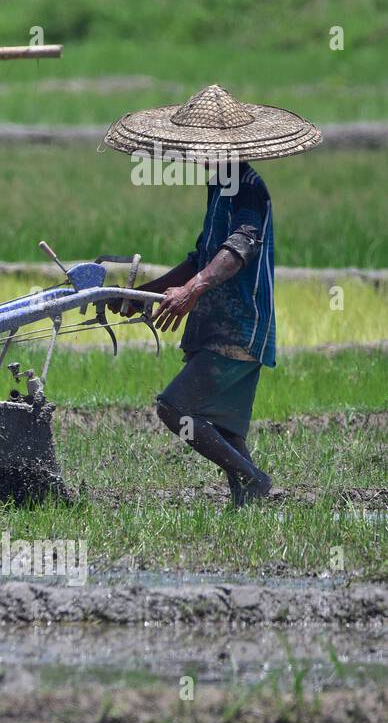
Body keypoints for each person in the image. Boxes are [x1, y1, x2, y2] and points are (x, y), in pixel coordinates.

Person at [103, 84, 322, 505]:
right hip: (218, 325)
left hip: (239, 325)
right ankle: (249, 502)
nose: (197, 155)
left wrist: (192, 290)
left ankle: (255, 479)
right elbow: (201, 254)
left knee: (174, 408)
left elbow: (238, 248)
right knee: (225, 429)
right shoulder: (219, 186)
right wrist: (138, 296)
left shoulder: (247, 188)